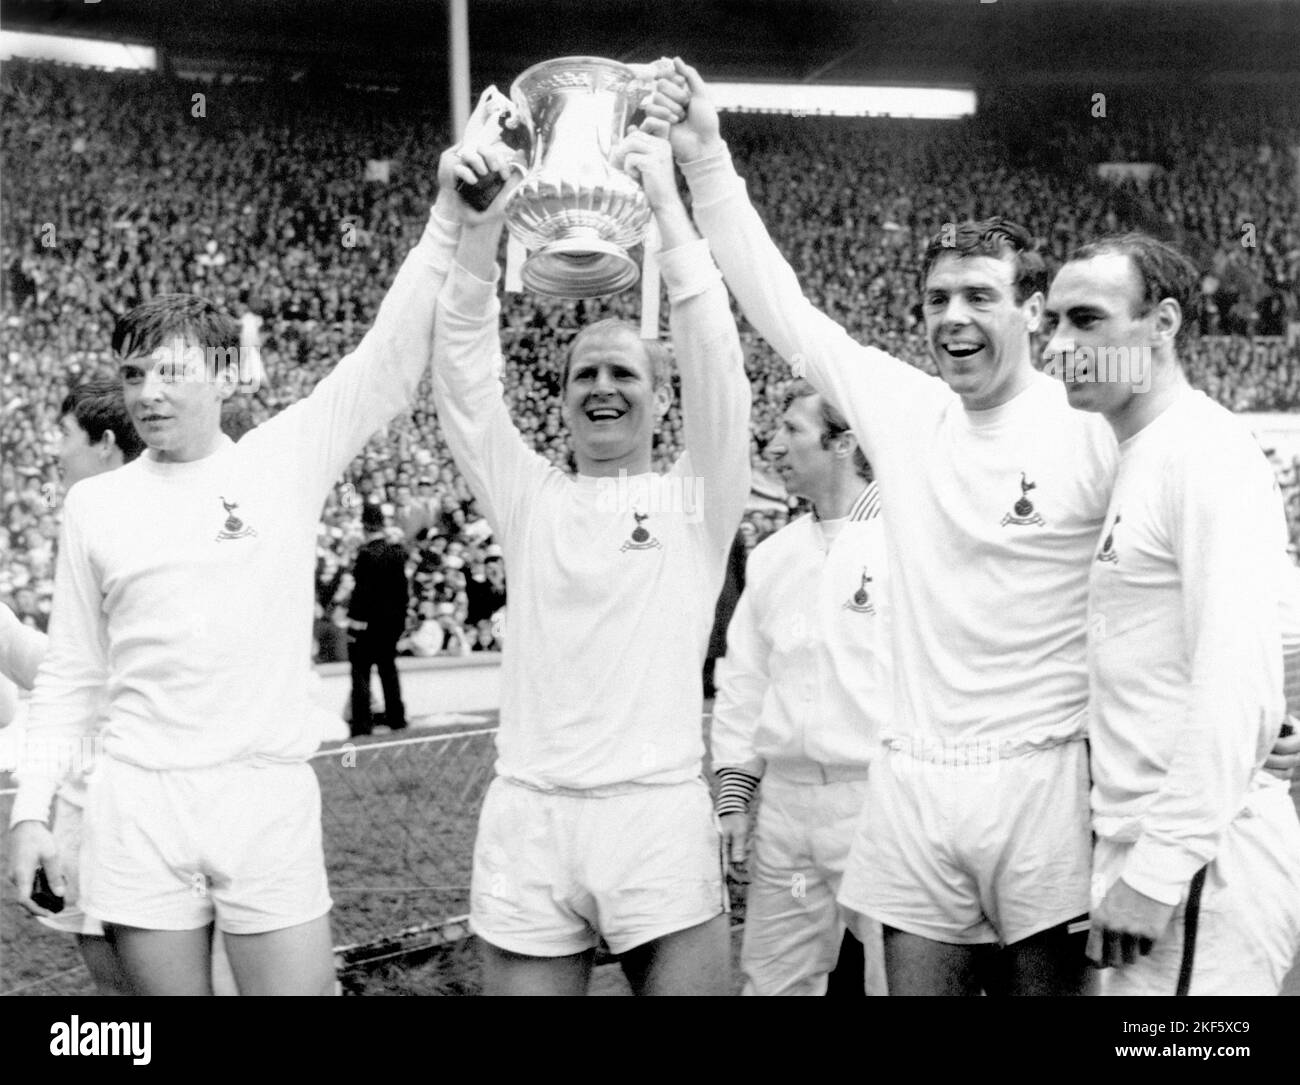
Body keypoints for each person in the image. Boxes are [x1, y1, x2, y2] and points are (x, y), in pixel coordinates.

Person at [653, 63, 1114, 994]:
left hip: (1045, 776)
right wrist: (704, 158)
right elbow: (783, 308)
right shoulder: (907, 411)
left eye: (981, 296)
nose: (954, 317)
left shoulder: (1092, 425)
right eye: (939, 298)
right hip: (911, 778)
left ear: (1032, 312)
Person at [6, 126, 479, 995]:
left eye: (170, 372)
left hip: (263, 797)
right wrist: (31, 814)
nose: (148, 392)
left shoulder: (278, 461)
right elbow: (71, 676)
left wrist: (447, 216)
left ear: (224, 374)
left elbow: (386, 359)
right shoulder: (94, 503)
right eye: (135, 373)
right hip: (141, 799)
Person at [431, 97, 750, 995]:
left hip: (654, 814)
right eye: (584, 374)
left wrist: (673, 212)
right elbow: (462, 382)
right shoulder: (530, 497)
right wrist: (480, 234)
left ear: (660, 395)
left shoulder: (695, 495)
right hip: (531, 814)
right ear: (562, 397)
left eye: (624, 373)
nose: (602, 387)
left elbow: (718, 363)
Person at [1043, 233, 1300, 994]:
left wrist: (1156, 871)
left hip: (1197, 866)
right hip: (1158, 848)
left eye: (1087, 320)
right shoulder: (1137, 454)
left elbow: (1237, 677)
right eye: (1052, 323)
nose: (1060, 345)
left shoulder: (1204, 453)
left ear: (1163, 322)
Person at [711, 378, 888, 996]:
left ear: (842, 442)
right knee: (773, 981)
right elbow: (744, 681)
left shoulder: (909, 542)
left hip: (880, 798)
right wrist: (734, 793)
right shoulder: (774, 554)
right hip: (787, 804)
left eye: (791, 429)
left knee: (898, 979)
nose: (775, 443)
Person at [346, 501, 410, 736]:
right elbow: (403, 592)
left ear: (365, 526)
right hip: (390, 624)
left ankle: (362, 723)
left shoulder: (366, 555)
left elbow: (362, 593)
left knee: (361, 673)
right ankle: (397, 718)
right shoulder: (396, 553)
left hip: (368, 624)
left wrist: (355, 623)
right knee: (388, 671)